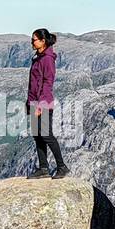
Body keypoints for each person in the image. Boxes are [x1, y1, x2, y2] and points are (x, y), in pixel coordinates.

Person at [26, 28, 69, 178]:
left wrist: (41, 105)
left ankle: (61, 166)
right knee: (37, 136)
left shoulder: (47, 59)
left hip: (42, 104)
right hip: (33, 102)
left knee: (46, 135)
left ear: (43, 41)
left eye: (34, 40)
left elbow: (47, 83)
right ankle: (43, 168)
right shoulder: (38, 57)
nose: (32, 42)